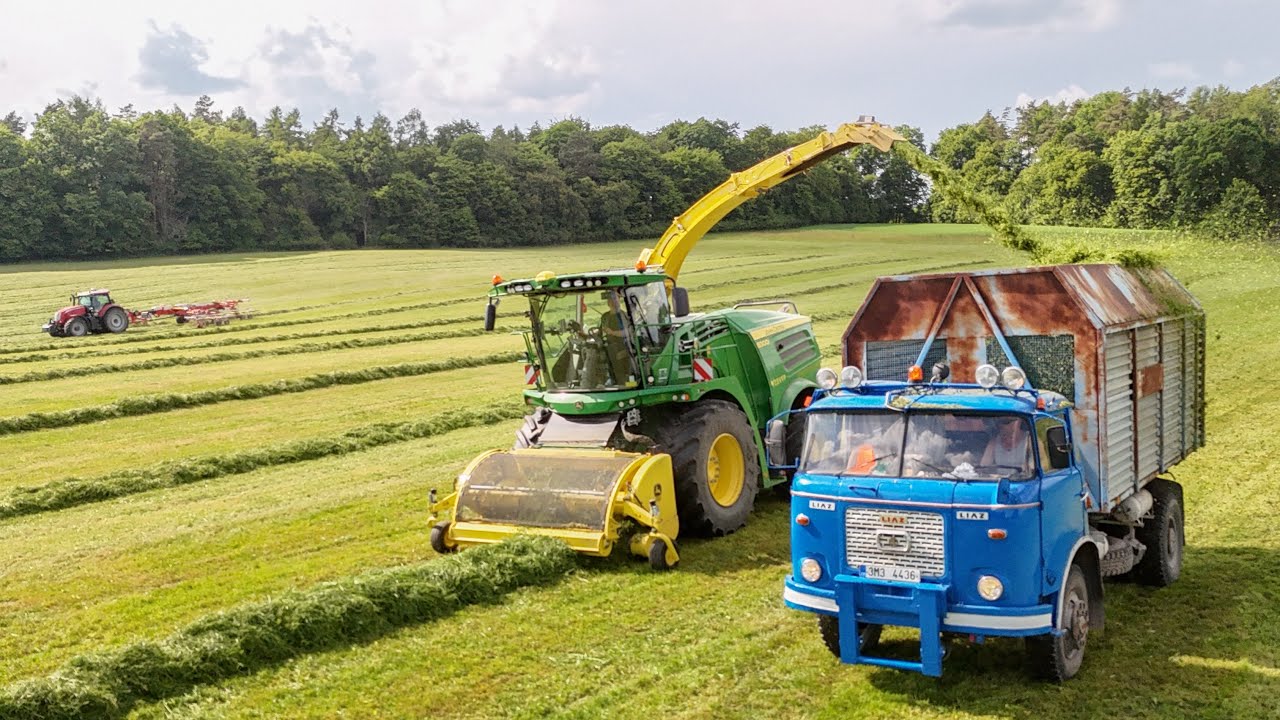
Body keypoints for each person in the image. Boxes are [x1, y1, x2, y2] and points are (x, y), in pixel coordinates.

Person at [599, 292, 632, 385]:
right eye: (610, 300)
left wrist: (613, 332)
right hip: (608, 346)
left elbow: (628, 332)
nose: (613, 302)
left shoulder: (623, 316)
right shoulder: (605, 316)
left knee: (613, 351)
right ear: (608, 303)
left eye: (615, 299)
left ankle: (621, 382)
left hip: (623, 347)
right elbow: (600, 331)